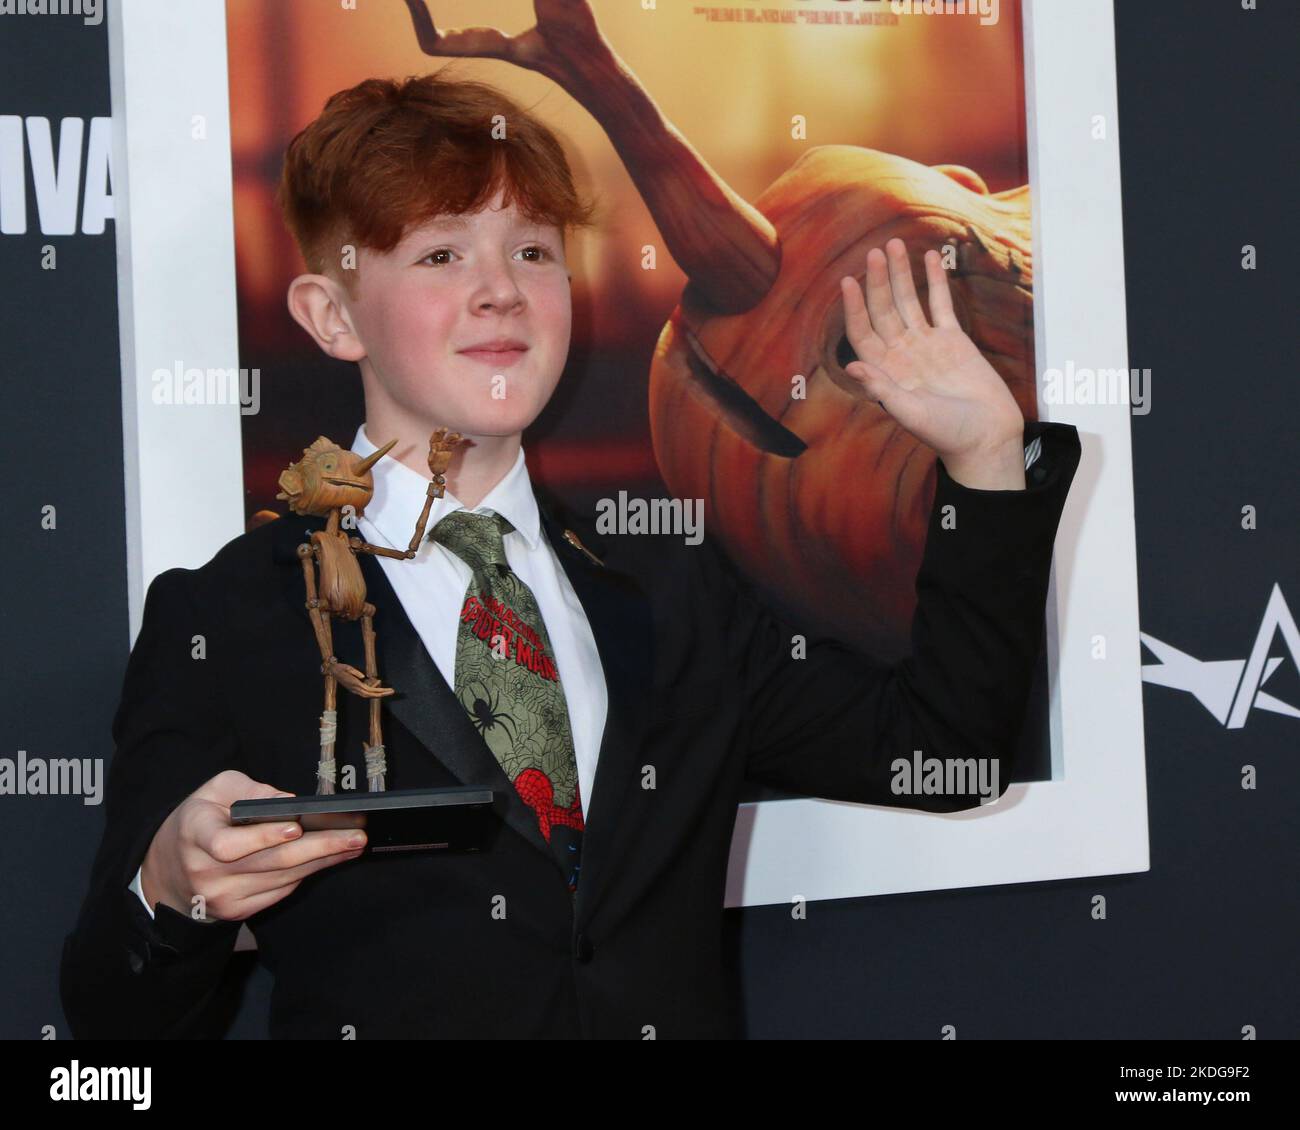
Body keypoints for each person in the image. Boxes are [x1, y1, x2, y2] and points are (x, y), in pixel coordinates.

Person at [60, 71, 1080, 1039]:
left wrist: (986, 459)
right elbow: (116, 1014)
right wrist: (169, 886)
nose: (500, 291)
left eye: (533, 252)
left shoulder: (676, 587)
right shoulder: (229, 619)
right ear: (332, 316)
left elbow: (954, 750)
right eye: (441, 255)